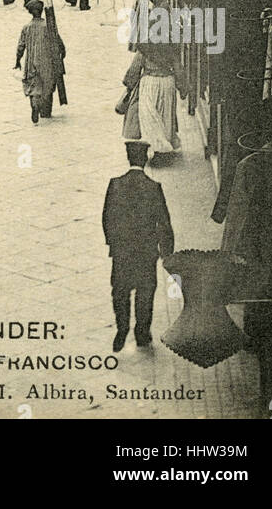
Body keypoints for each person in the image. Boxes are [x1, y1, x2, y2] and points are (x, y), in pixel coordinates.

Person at [102, 141, 175, 352]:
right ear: (144, 159)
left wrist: (112, 243)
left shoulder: (115, 184)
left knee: (120, 290)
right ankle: (142, 333)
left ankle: (121, 329)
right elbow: (164, 222)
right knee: (145, 291)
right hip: (146, 251)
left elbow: (106, 218)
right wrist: (167, 252)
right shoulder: (153, 187)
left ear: (129, 158)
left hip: (122, 251)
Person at [121, 44, 182, 156]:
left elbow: (135, 68)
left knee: (149, 116)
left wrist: (129, 85)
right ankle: (163, 147)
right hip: (168, 83)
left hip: (149, 82)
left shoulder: (144, 47)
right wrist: (182, 87)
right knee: (166, 116)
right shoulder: (172, 47)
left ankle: (157, 146)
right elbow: (178, 68)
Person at [14, 0, 66, 124]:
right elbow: (58, 41)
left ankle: (35, 105)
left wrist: (18, 60)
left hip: (31, 61)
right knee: (48, 85)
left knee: (33, 85)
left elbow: (21, 46)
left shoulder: (26, 28)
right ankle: (45, 111)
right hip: (46, 60)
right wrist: (62, 52)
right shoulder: (48, 26)